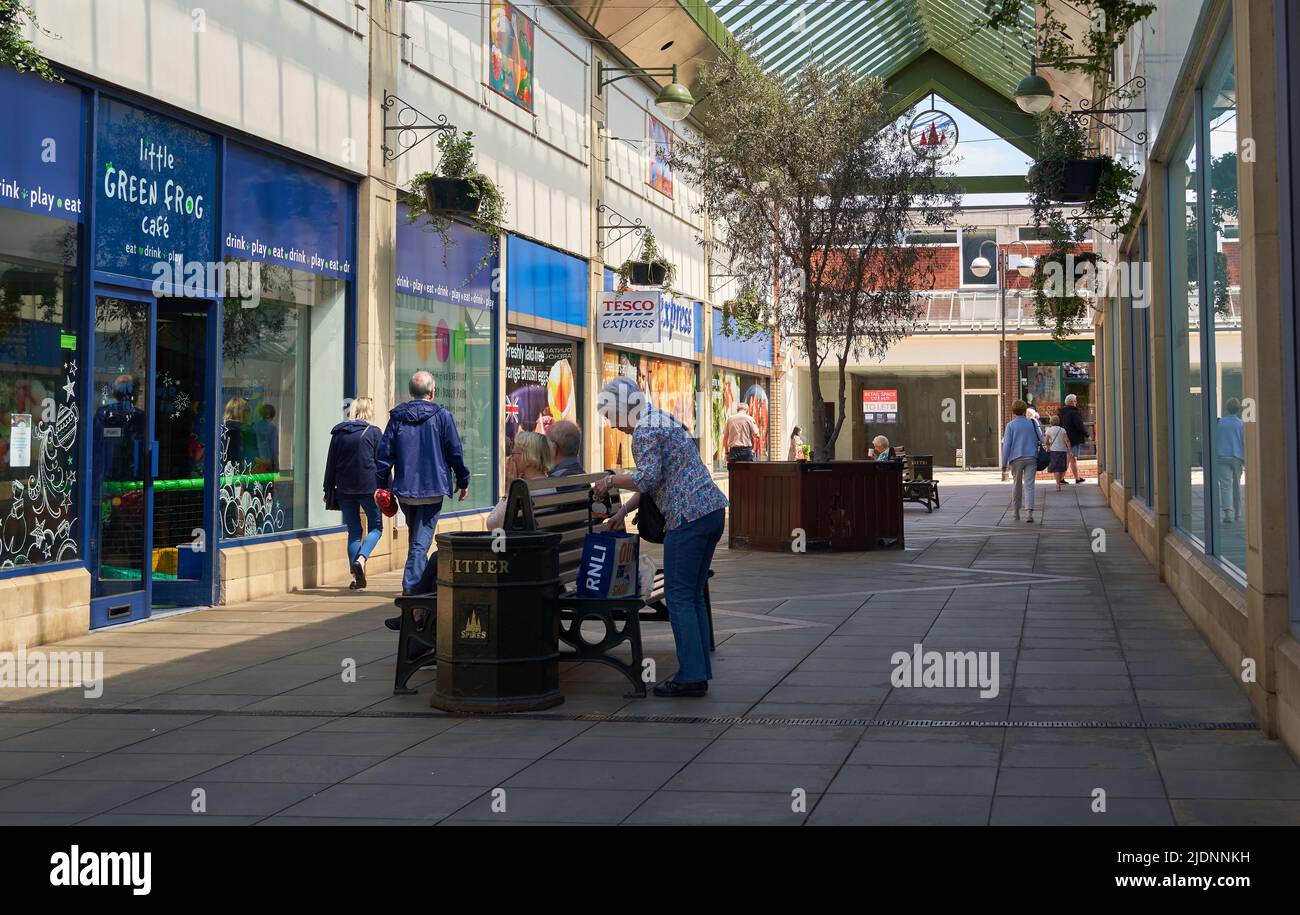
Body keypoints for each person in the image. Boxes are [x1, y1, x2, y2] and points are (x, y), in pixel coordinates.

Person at [594, 376, 728, 698]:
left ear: (623, 408)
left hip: (687, 519)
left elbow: (648, 477)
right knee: (692, 595)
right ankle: (697, 670)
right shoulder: (661, 419)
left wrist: (611, 481)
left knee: (679, 597)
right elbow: (654, 483)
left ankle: (691, 677)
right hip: (711, 511)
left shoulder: (644, 430)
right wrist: (622, 513)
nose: (612, 426)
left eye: (611, 417)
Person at [376, 370, 470, 596]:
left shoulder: (397, 418)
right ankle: (412, 593)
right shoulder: (442, 416)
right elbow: (454, 451)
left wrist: (382, 484)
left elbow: (384, 455)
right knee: (420, 544)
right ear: (433, 392)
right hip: (432, 488)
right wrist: (462, 479)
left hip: (406, 490)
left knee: (416, 540)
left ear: (411, 392)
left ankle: (420, 586)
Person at [323, 396, 382, 590]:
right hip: (368, 488)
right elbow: (381, 464)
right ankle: (362, 559)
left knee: (354, 531)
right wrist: (386, 488)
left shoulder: (339, 433)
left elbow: (331, 462)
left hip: (344, 489)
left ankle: (358, 579)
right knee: (376, 527)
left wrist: (328, 488)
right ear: (369, 411)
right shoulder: (373, 432)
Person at [487, 432, 554, 528]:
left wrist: (509, 490)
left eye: (514, 452)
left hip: (524, 542)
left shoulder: (525, 489)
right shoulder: (548, 485)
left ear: (528, 458)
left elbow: (492, 525)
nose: (510, 457)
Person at [1003, 399, 1041, 523]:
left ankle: (1016, 512)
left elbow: (1007, 445)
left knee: (1017, 484)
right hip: (1031, 457)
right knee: (1029, 485)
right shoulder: (1033, 423)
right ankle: (1029, 513)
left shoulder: (1011, 425)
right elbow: (1041, 439)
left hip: (1016, 458)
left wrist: (1004, 463)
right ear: (1025, 410)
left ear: (1013, 411)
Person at [1216, 398, 1245, 524]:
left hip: (1222, 456)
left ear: (1226, 408)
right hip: (1237, 457)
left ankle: (1228, 513)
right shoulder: (1241, 424)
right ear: (1238, 409)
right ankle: (1238, 513)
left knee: (1225, 485)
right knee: (1236, 485)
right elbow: (1244, 442)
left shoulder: (1220, 423)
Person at [1059, 393, 1089, 484]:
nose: (1076, 402)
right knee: (1070, 458)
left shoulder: (1062, 412)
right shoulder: (1074, 412)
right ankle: (1061, 478)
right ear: (1072, 402)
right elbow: (1079, 425)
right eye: (1075, 401)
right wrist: (1087, 434)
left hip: (1064, 438)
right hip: (1073, 439)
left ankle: (1077, 478)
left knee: (1071, 459)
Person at [1043, 415, 1071, 492]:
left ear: (1051, 421)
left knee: (1056, 468)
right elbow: (1067, 441)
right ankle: (1060, 480)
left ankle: (1058, 484)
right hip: (1062, 450)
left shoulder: (1049, 430)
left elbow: (1045, 441)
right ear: (1058, 421)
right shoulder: (1062, 430)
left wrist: (1048, 446)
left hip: (1053, 451)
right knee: (1062, 467)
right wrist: (1070, 450)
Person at [252, 403, 280, 473]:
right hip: (268, 463)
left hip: (256, 461)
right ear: (273, 415)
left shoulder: (255, 426)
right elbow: (274, 449)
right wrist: (276, 465)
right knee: (267, 483)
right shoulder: (273, 428)